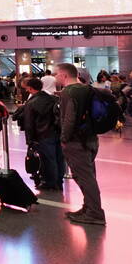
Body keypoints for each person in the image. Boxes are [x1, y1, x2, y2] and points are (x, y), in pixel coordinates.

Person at [56, 62, 104, 225]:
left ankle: (95, 213)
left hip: (76, 141)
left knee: (85, 177)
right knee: (87, 175)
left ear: (64, 75)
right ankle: (89, 207)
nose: (56, 77)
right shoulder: (87, 88)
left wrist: (64, 139)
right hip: (91, 138)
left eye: (57, 74)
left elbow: (68, 119)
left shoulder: (68, 92)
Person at [16, 76, 64, 190]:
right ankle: (58, 182)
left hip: (42, 135)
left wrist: (30, 140)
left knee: (48, 159)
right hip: (57, 132)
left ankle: (50, 183)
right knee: (59, 158)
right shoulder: (54, 98)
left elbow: (29, 123)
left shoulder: (31, 103)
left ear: (30, 88)